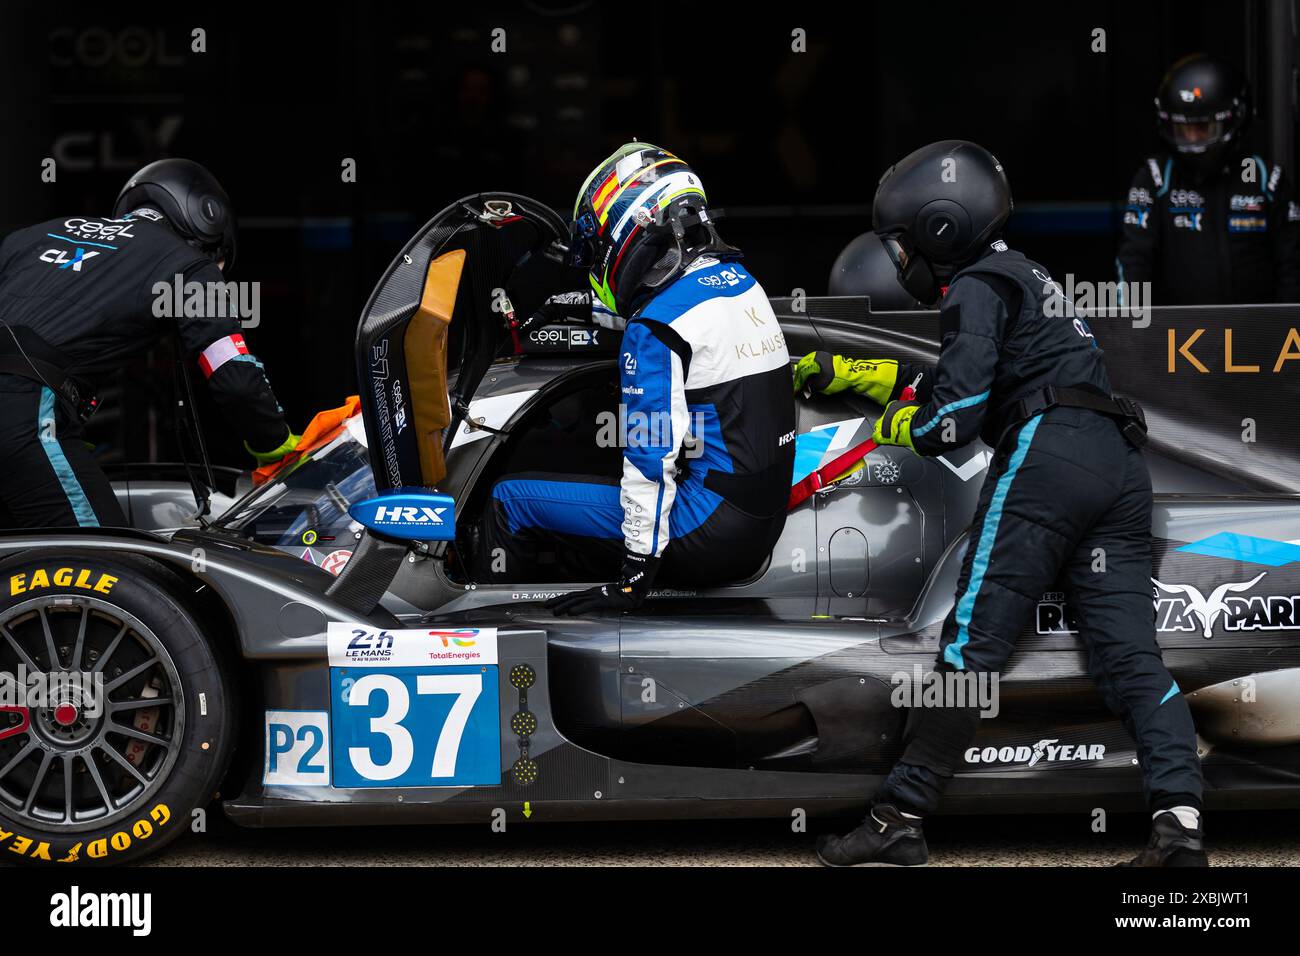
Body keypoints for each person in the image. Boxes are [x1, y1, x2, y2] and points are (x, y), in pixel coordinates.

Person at [797, 140, 1206, 867]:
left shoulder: (975, 285)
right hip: (1115, 463)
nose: (900, 258)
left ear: (939, 226)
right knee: (1132, 658)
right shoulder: (1026, 273)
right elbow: (980, 381)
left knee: (971, 645)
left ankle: (900, 817)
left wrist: (894, 425)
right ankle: (1179, 828)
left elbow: (954, 418)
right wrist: (877, 377)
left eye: (900, 243)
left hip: (1048, 456)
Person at [478, 143, 795, 612]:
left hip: (704, 530)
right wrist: (586, 310)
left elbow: (650, 457)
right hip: (760, 525)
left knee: (510, 499)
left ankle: (498, 629)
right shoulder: (741, 283)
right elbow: (678, 314)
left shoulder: (654, 330)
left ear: (630, 227)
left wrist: (634, 573)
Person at [0, 158, 298, 528]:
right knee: (98, 567)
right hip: (24, 414)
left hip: (26, 413)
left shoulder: (32, 236)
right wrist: (275, 443)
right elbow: (233, 376)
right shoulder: (186, 264)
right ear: (206, 222)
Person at [1117, 53, 1300, 304]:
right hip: (1172, 337)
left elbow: (1291, 266)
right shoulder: (1156, 178)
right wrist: (1132, 333)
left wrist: (1288, 332)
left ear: (1234, 119)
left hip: (1259, 335)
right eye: (1184, 129)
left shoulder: (1267, 180)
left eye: (1203, 128)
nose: (1193, 140)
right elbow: (1134, 261)